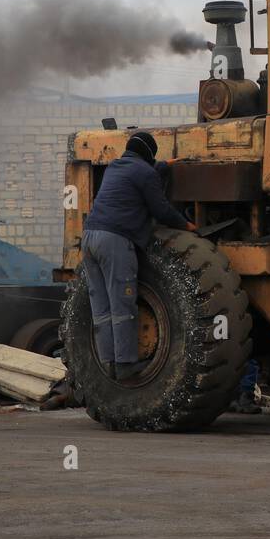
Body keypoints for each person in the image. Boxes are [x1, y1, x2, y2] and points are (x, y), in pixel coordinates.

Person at [81, 131, 195, 381]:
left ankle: (108, 362)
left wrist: (164, 166)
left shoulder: (115, 167)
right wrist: (187, 226)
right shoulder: (145, 173)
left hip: (89, 238)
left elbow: (142, 173)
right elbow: (161, 209)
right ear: (149, 154)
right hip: (114, 241)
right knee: (123, 304)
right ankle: (126, 365)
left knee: (101, 308)